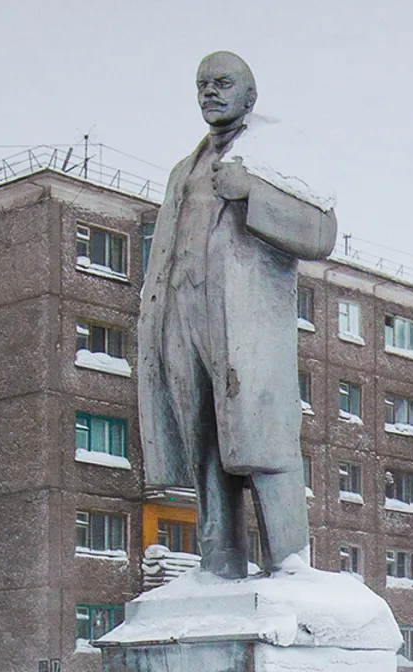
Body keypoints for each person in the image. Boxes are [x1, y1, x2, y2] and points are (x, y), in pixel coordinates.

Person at [137, 51, 337, 578]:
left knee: (265, 447)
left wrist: (253, 194)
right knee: (206, 445)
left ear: (250, 95)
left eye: (222, 83)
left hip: (247, 327)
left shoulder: (276, 152)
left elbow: (322, 233)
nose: (210, 93)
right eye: (202, 84)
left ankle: (289, 565)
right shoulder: (185, 169)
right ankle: (219, 562)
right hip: (185, 321)